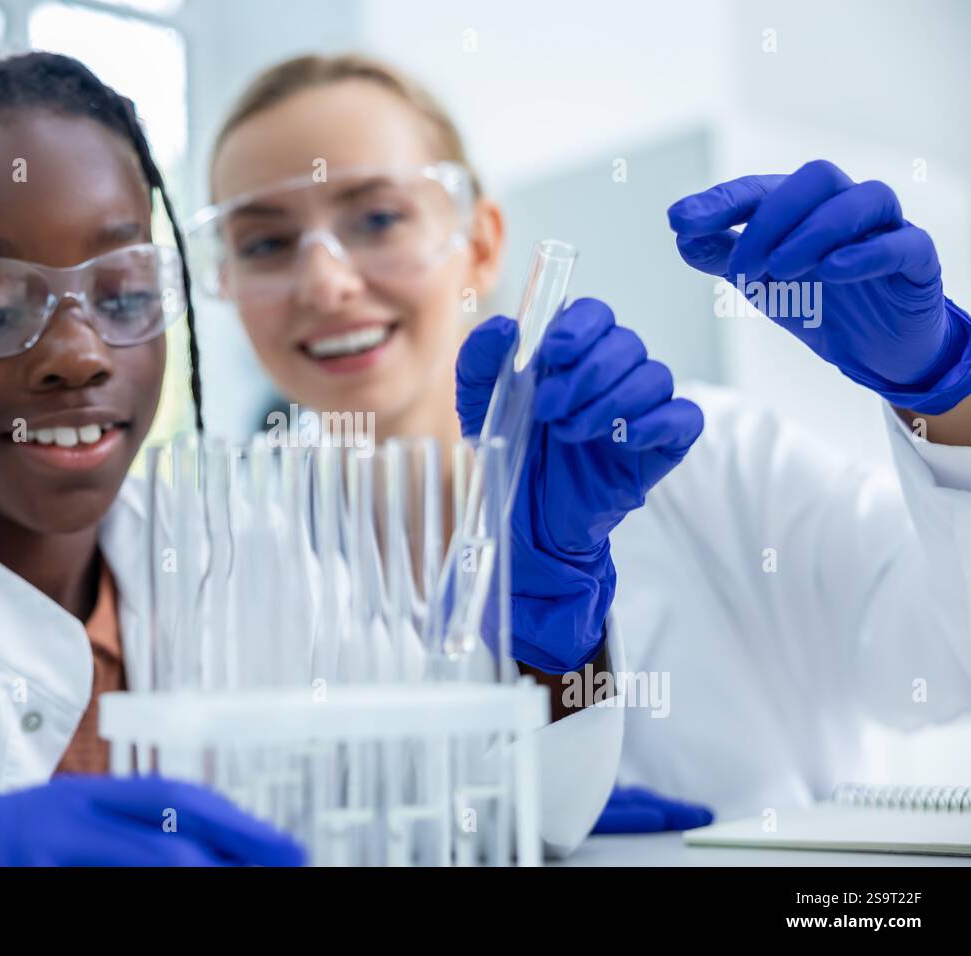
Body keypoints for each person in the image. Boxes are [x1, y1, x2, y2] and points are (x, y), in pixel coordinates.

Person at [0, 39, 698, 866]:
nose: (76, 354)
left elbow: (486, 796)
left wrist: (549, 632)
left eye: (122, 295)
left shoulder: (257, 557)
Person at [195, 53, 971, 824]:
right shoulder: (219, 559)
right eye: (265, 243)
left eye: (377, 218)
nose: (326, 283)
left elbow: (938, 667)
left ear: (484, 240)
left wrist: (945, 392)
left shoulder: (709, 457)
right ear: (226, 281)